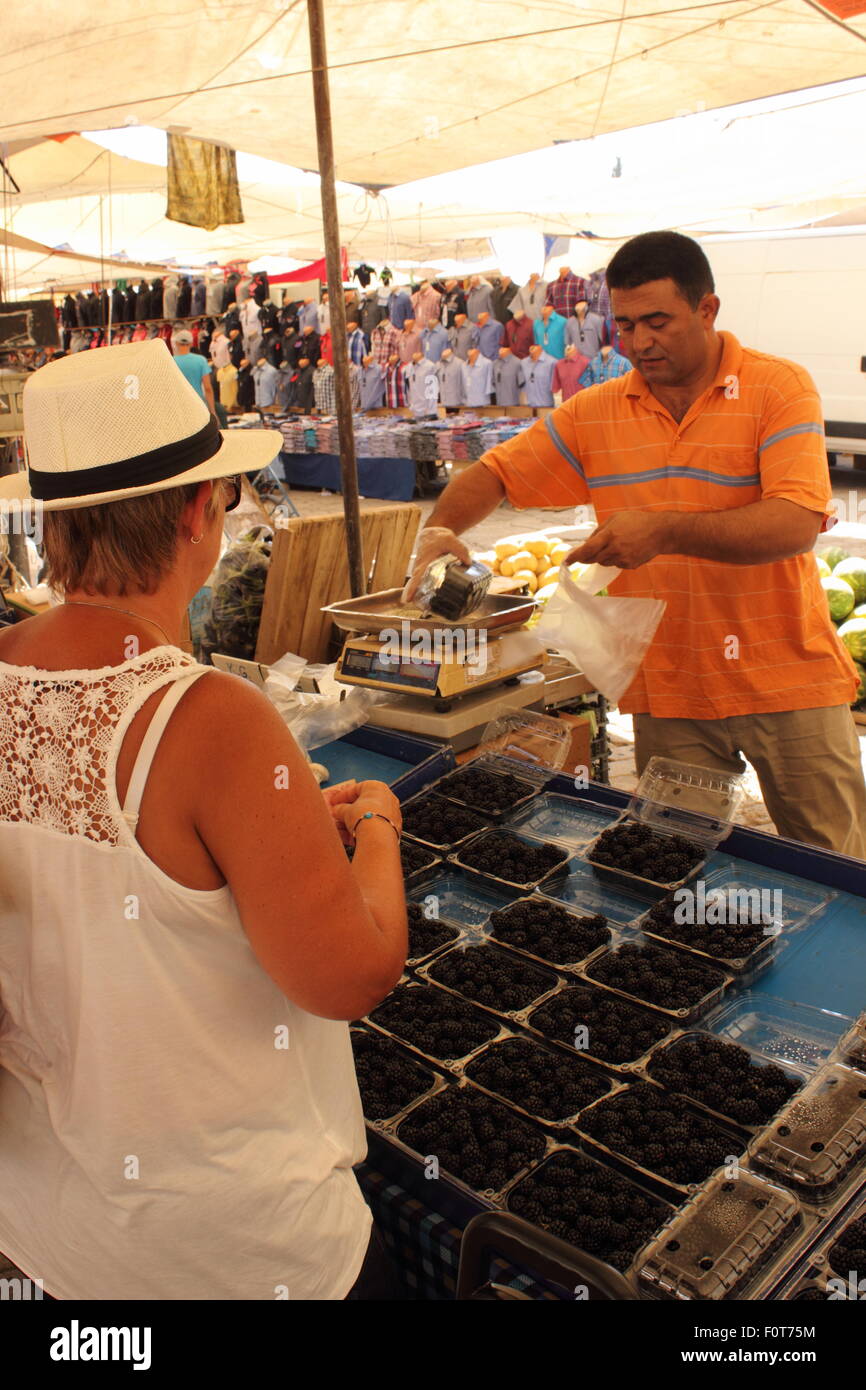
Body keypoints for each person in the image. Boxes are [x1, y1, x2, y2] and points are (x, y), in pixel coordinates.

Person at [0, 339, 408, 1299]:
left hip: (50, 1240)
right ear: (197, 512)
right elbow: (349, 974)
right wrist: (379, 827)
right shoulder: (212, 718)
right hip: (239, 1253)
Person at [404, 230, 866, 858]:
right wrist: (440, 530)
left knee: (837, 868)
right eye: (625, 325)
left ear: (707, 309)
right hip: (670, 685)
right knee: (674, 866)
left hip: (787, 676)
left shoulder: (777, 388)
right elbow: (495, 473)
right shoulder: (597, 410)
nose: (640, 341)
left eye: (658, 321)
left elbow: (792, 523)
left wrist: (665, 530)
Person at [172, 329, 216, 415]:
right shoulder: (201, 360)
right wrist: (213, 411)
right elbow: (208, 388)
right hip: (198, 404)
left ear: (176, 343)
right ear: (191, 343)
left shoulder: (171, 361)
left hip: (179, 406)